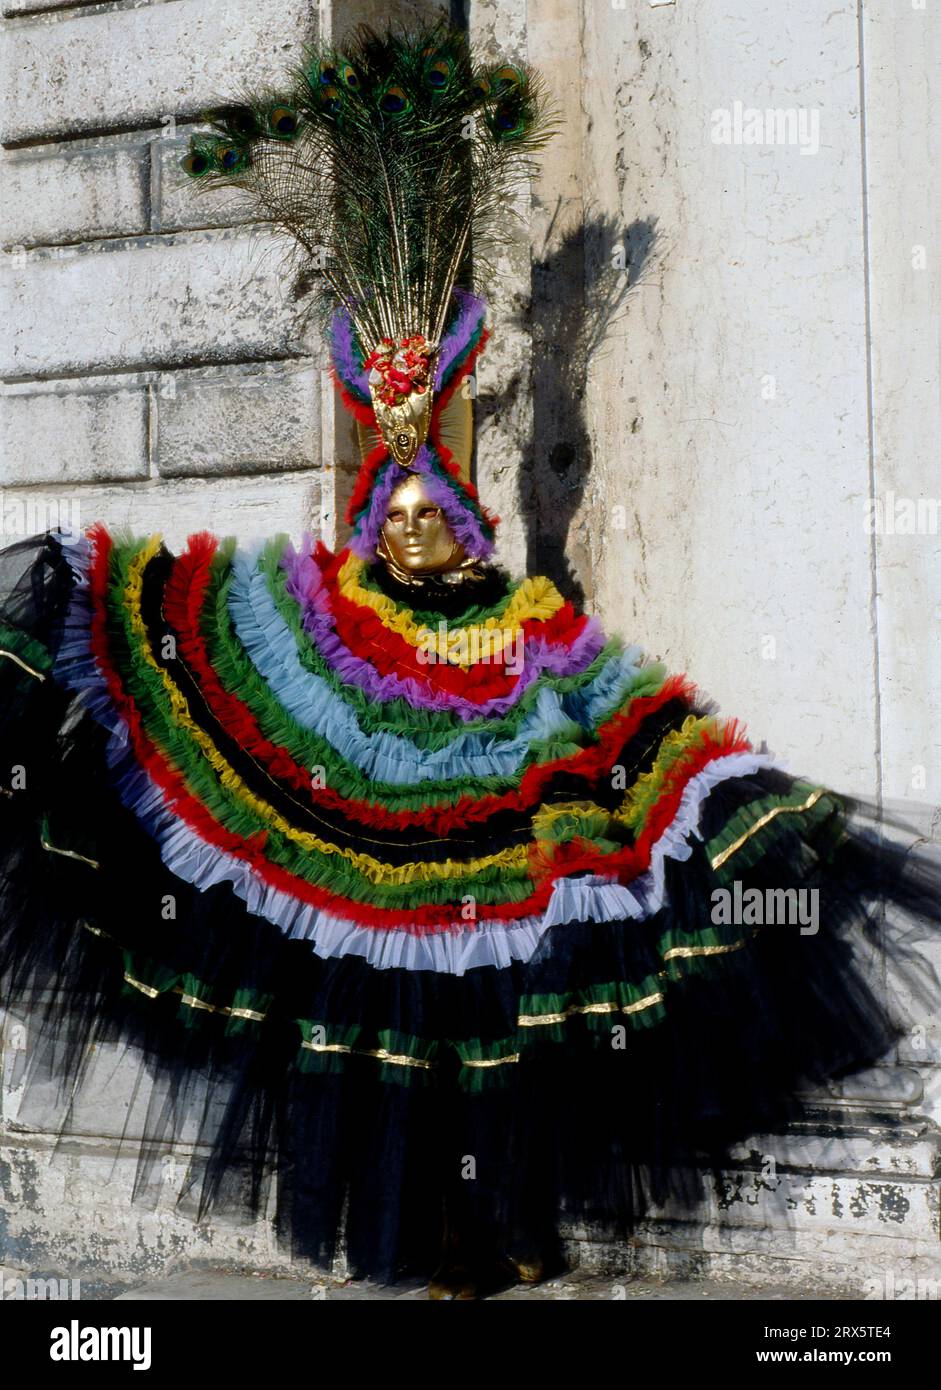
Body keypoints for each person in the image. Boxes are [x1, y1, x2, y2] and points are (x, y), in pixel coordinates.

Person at [1, 21, 938, 1301]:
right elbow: (212, 610)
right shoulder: (322, 606)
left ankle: (497, 1226)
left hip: (488, 884)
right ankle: (433, 1238)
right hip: (359, 867)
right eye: (390, 510)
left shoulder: (513, 610)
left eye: (427, 510)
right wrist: (90, 578)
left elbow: (600, 689)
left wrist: (718, 787)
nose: (405, 525)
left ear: (468, 513)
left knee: (493, 1051)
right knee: (373, 1049)